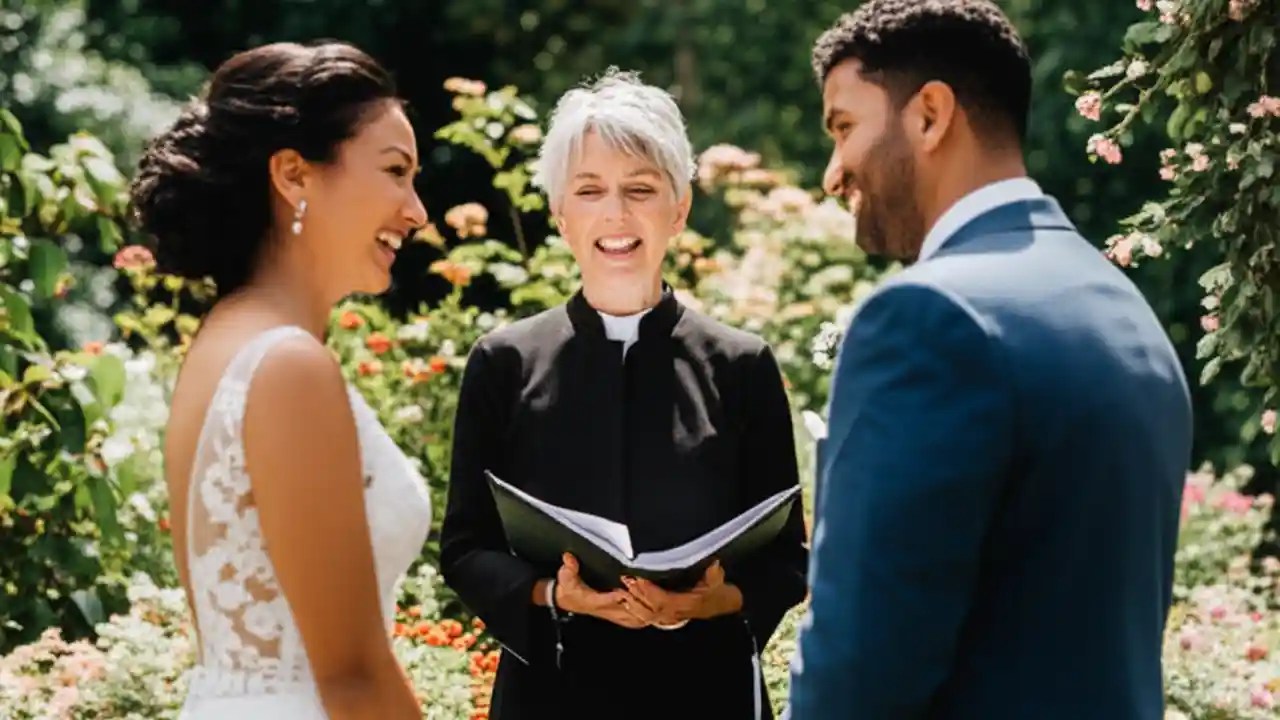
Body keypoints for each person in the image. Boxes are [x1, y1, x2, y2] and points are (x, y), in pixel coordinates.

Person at [785, 2, 1193, 718]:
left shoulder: (925, 320)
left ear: (930, 114)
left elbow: (856, 676)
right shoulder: (1122, 309)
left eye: (844, 126)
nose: (833, 172)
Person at [440, 68, 808, 719]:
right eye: (590, 190)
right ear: (559, 214)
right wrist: (559, 594)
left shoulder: (741, 364)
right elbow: (467, 550)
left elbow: (785, 559)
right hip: (550, 696)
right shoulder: (503, 362)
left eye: (640, 189)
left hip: (706, 693)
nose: (616, 212)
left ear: (681, 207)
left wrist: (710, 600)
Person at [130, 40, 430, 719]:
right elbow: (352, 674)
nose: (417, 212)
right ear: (294, 175)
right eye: (395, 172)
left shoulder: (224, 339)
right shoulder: (288, 364)